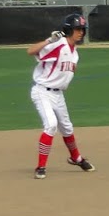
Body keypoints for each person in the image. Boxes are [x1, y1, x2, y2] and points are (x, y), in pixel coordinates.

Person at [28, 12, 95, 179]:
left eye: (82, 29)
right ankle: (40, 167)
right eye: (78, 29)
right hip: (42, 91)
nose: (81, 32)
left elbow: (68, 68)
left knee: (67, 128)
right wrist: (49, 41)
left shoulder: (75, 52)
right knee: (51, 125)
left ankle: (76, 158)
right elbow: (30, 51)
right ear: (68, 30)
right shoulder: (59, 45)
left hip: (58, 95)